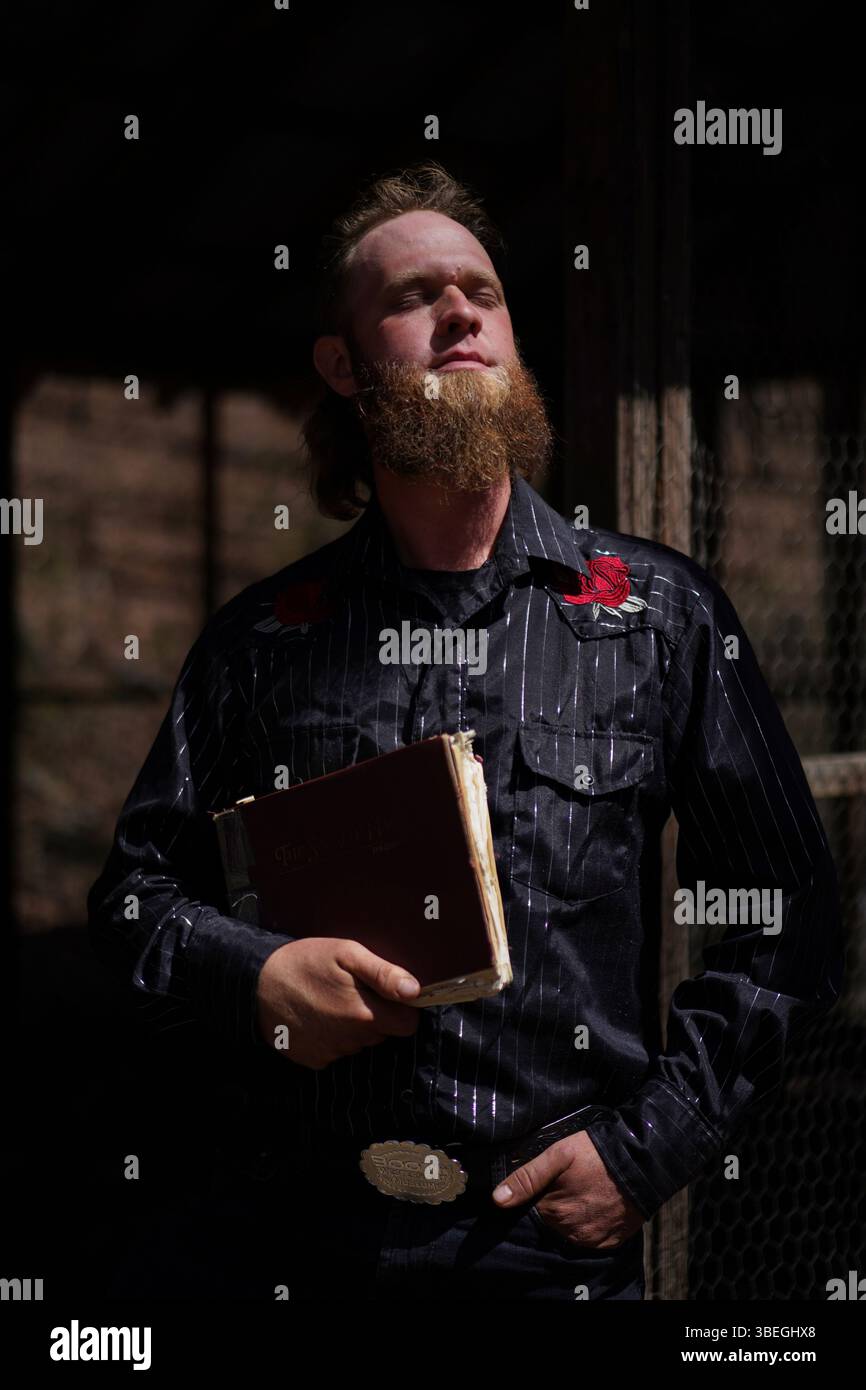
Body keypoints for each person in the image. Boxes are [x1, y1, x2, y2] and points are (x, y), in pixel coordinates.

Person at [87, 162, 844, 1302]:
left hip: (550, 1245)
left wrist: (647, 1149)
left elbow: (791, 916)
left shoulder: (654, 613)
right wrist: (258, 974)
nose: (459, 315)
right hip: (306, 1243)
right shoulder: (263, 641)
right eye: (414, 296)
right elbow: (132, 901)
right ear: (343, 367)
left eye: (480, 294)